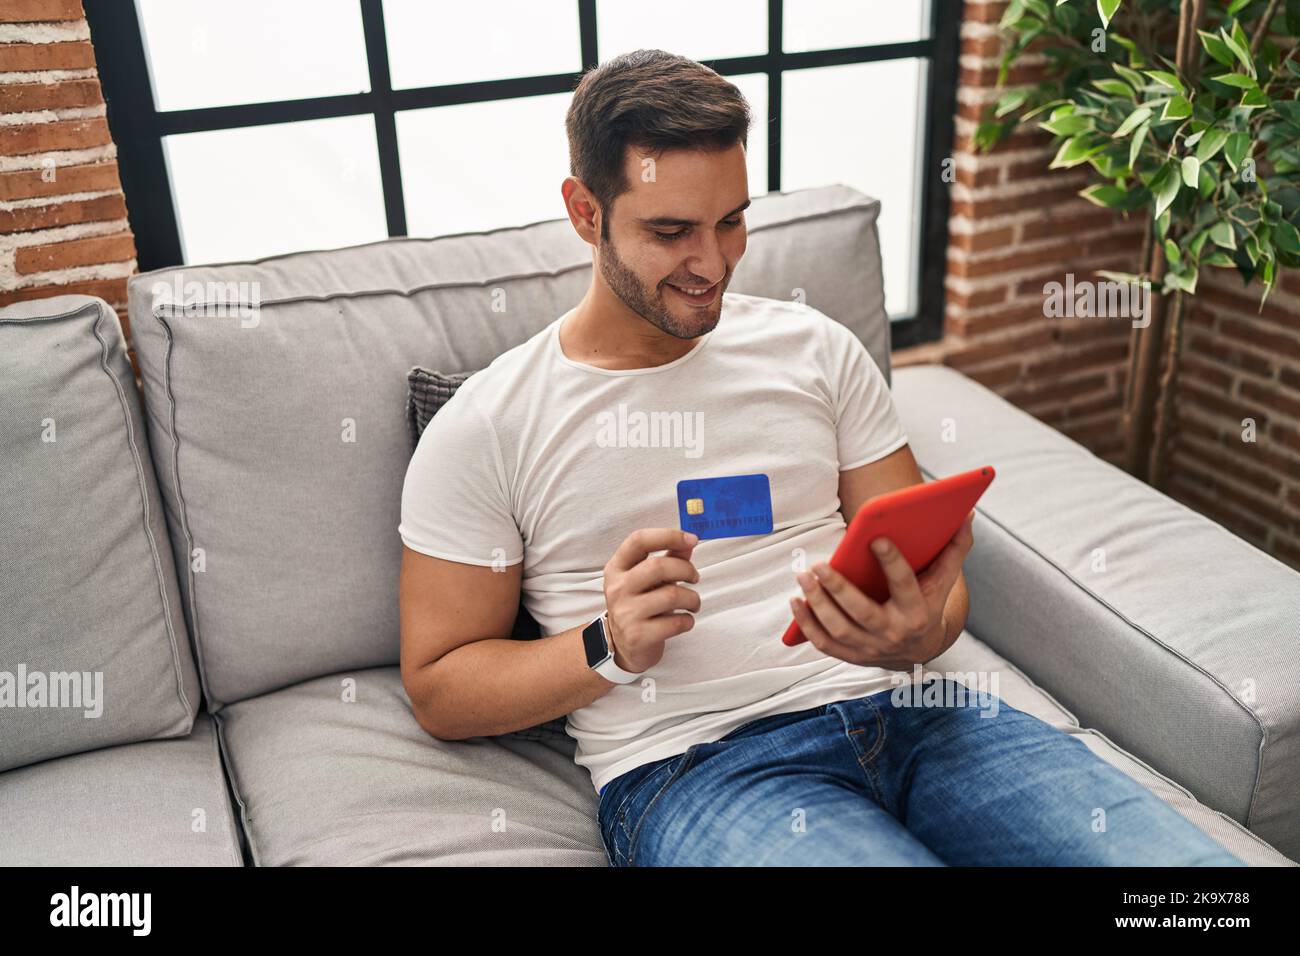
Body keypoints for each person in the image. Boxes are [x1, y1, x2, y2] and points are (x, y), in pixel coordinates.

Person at [397, 49, 1243, 867]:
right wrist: (606, 642)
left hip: (918, 719)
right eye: (671, 231)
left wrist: (915, 633)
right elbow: (440, 687)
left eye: (731, 221)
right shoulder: (490, 425)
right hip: (702, 771)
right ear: (586, 212)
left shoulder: (814, 349)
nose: (711, 264)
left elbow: (937, 597)